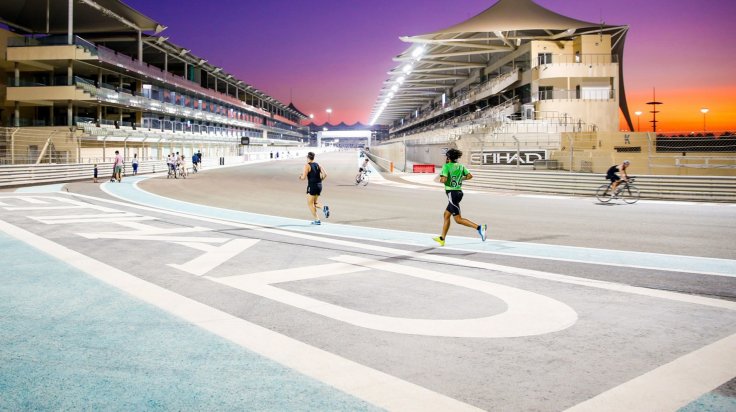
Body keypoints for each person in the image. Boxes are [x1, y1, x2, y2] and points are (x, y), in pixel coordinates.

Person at [433, 148, 487, 246]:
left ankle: (480, 228)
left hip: (452, 194)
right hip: (458, 192)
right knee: (446, 215)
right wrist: (460, 178)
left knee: (458, 220)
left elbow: (444, 179)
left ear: (448, 157)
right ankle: (442, 238)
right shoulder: (461, 166)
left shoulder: (446, 166)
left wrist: (441, 179)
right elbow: (470, 176)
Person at [299, 151, 329, 225]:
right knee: (315, 203)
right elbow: (325, 174)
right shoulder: (318, 164)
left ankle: (317, 220)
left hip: (312, 186)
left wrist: (300, 177)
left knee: (310, 204)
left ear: (308, 157)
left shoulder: (307, 166)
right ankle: (323, 208)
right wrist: (320, 180)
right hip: (319, 185)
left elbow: (303, 177)